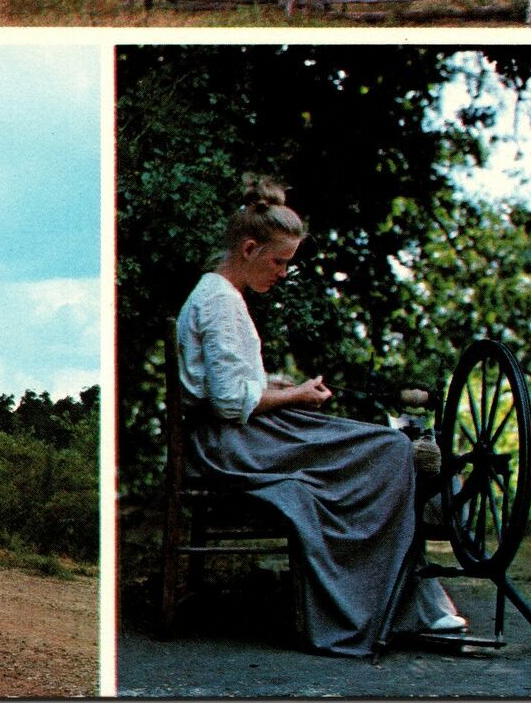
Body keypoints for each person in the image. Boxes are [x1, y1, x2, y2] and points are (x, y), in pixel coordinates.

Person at [176, 173, 463, 657]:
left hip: (240, 435)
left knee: (379, 447)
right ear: (248, 249)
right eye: (280, 261)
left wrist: (273, 386)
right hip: (233, 444)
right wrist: (297, 396)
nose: (284, 272)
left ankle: (408, 600)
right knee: (389, 449)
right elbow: (228, 404)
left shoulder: (216, 294)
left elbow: (226, 387)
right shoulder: (222, 302)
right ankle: (391, 606)